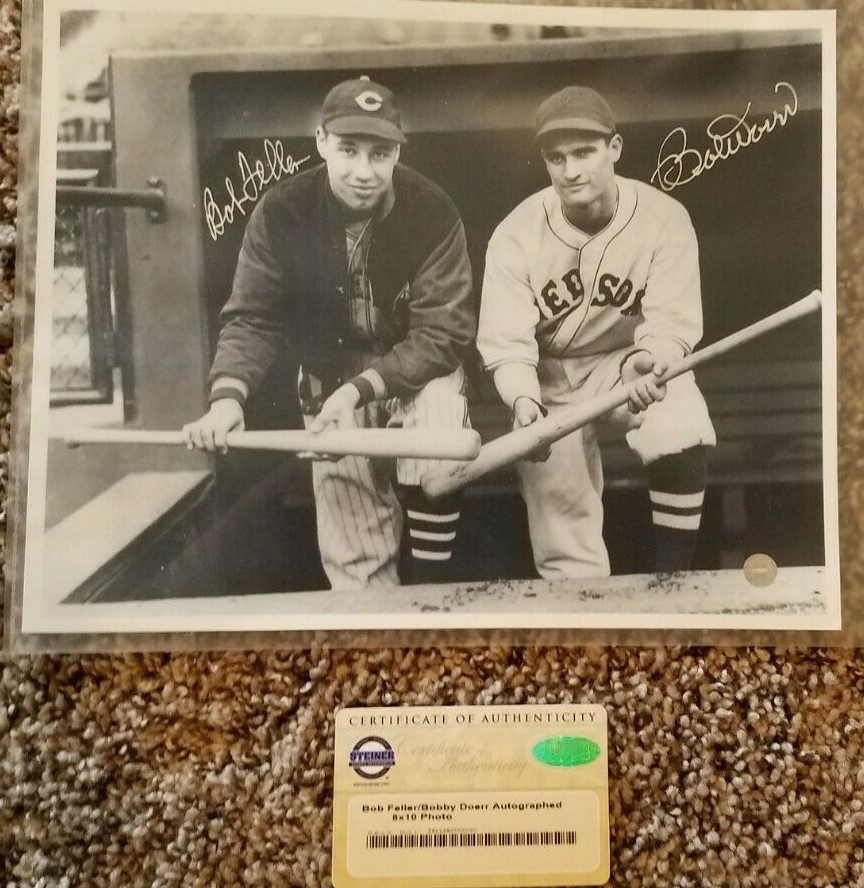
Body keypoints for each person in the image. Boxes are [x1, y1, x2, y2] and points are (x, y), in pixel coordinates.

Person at [183, 76, 475, 590]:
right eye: (347, 150)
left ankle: (436, 600)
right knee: (355, 558)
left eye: (380, 153)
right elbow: (253, 317)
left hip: (414, 371)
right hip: (329, 374)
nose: (364, 171)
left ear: (398, 152)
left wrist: (360, 390)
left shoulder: (432, 208)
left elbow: (443, 334)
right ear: (320, 141)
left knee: (440, 439)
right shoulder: (281, 210)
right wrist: (228, 399)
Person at [477, 86, 716, 578]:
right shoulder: (515, 234)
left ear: (615, 148)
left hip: (621, 362)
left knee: (680, 412)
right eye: (557, 157)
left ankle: (673, 582)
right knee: (566, 545)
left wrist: (651, 359)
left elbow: (672, 321)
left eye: (584, 151)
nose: (571, 171)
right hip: (544, 379)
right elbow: (506, 344)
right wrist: (522, 403)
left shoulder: (664, 218)